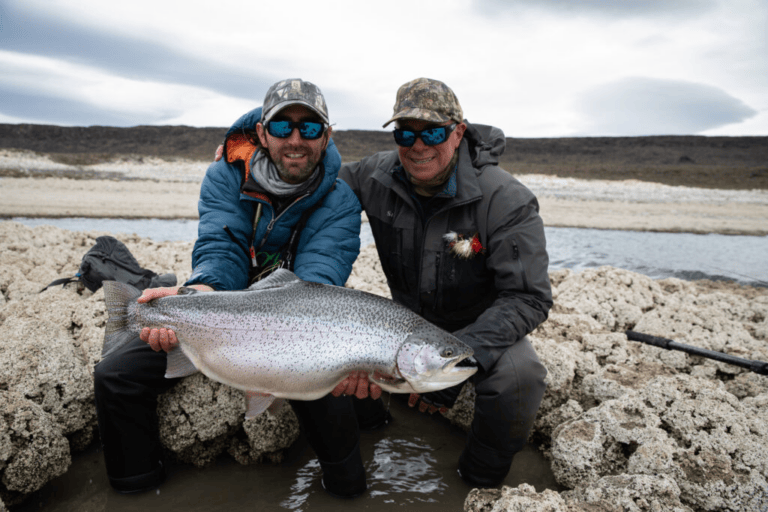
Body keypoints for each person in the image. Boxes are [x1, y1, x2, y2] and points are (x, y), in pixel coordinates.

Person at [94, 78, 386, 498]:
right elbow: (221, 246)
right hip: (223, 307)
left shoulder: (339, 199)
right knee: (113, 375)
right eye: (284, 127)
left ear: (327, 135)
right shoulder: (225, 176)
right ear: (264, 133)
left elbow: (319, 277)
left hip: (299, 319)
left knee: (333, 400)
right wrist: (203, 293)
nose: (296, 139)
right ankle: (135, 488)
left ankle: (348, 486)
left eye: (310, 128)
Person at [335, 77, 552, 488]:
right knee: (336, 342)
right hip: (404, 323)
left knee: (520, 376)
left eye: (433, 132)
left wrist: (456, 364)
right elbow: (313, 175)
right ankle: (374, 427)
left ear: (458, 132)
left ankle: (476, 483)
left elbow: (527, 298)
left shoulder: (505, 200)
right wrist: (247, 151)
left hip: (477, 327)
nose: (418, 146)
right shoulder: (374, 175)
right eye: (406, 133)